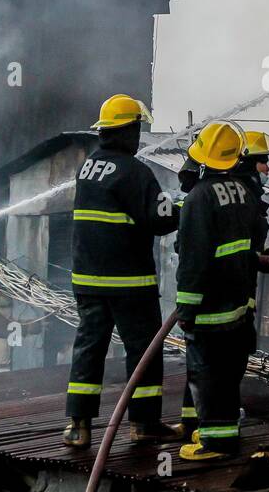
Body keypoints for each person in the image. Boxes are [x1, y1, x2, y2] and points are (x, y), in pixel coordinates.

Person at [63, 94, 181, 448]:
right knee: (143, 350)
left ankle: (78, 426)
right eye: (137, 129)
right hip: (130, 283)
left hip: (87, 282)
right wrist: (184, 209)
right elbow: (159, 221)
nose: (139, 136)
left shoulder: (88, 168)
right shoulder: (134, 171)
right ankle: (143, 424)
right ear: (128, 130)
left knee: (89, 348)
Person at [174, 121, 269, 461]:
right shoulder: (244, 191)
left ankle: (215, 444)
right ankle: (220, 433)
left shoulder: (199, 198)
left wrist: (186, 309)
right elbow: (253, 238)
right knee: (228, 375)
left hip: (208, 306)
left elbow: (192, 259)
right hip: (236, 304)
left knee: (206, 374)